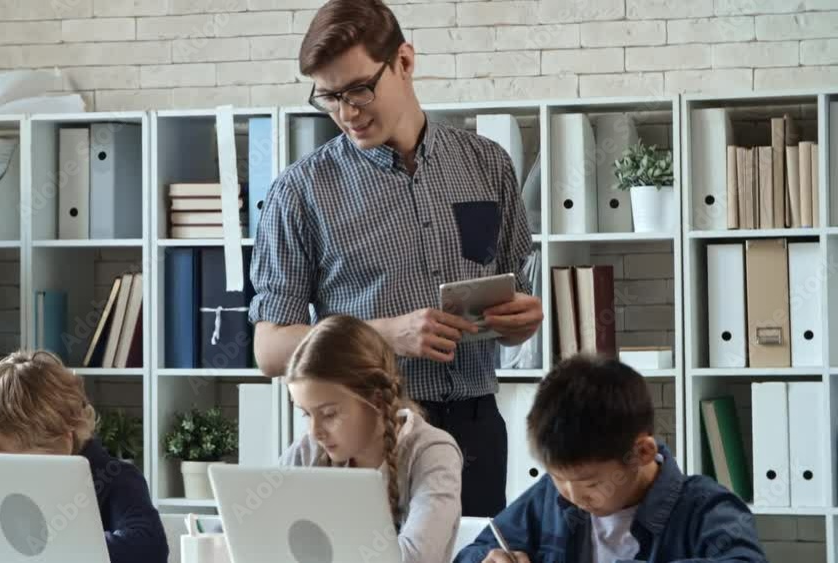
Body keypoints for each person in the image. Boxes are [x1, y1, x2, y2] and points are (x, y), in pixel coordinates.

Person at [249, 0, 542, 517]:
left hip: (477, 430)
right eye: (330, 97)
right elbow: (270, 350)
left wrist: (521, 320)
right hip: (366, 435)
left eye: (359, 89)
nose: (347, 113)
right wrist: (386, 333)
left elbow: (512, 295)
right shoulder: (299, 193)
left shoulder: (487, 164)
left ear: (405, 61)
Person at [455, 355, 768, 563]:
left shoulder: (706, 507)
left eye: (590, 483)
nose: (574, 497)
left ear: (642, 452)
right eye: (557, 476)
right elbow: (472, 552)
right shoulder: (552, 498)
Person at [0, 351, 168, 563]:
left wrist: (38, 549)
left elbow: (149, 545)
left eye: (15, 462)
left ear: (64, 439)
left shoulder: (115, 479)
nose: (1, 473)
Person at [281, 315, 463, 563]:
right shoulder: (307, 451)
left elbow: (415, 558)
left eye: (329, 414)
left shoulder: (432, 452)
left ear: (376, 400)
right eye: (306, 413)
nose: (315, 432)